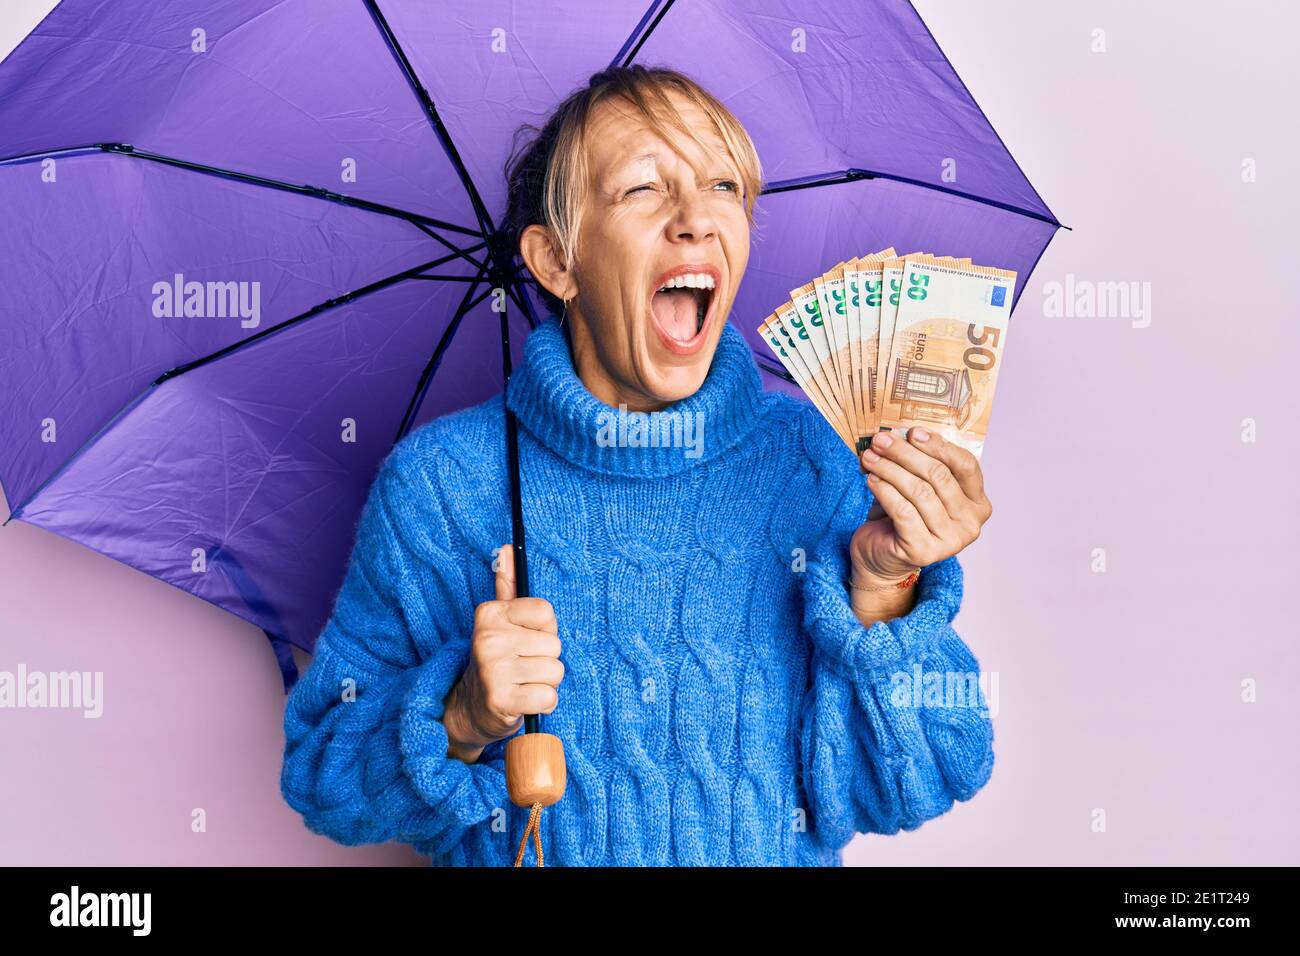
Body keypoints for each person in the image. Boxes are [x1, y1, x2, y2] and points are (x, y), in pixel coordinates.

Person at [280, 64, 995, 866]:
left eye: (724, 186)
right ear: (556, 262)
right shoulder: (442, 485)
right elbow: (322, 778)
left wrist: (882, 591)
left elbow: (922, 781)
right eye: (641, 191)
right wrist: (461, 714)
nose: (696, 219)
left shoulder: (814, 461)